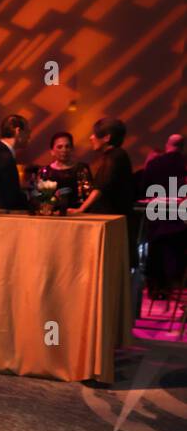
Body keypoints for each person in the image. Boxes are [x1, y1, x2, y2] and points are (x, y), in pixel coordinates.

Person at [68, 117, 138, 262]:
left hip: (113, 222)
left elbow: (101, 186)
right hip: (116, 222)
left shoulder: (116, 156)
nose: (91, 137)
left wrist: (81, 209)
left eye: (95, 134)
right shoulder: (115, 155)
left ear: (106, 138)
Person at [140, 132, 187, 297]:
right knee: (176, 250)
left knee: (155, 250)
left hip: (157, 215)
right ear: (182, 148)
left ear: (168, 145)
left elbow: (144, 187)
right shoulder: (184, 163)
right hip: (180, 218)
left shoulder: (155, 163)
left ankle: (156, 288)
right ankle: (175, 284)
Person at [42, 130, 91, 209]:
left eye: (67, 146)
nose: (64, 150)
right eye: (59, 147)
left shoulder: (81, 168)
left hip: (78, 214)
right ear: (52, 151)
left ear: (72, 149)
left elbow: (88, 195)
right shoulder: (45, 171)